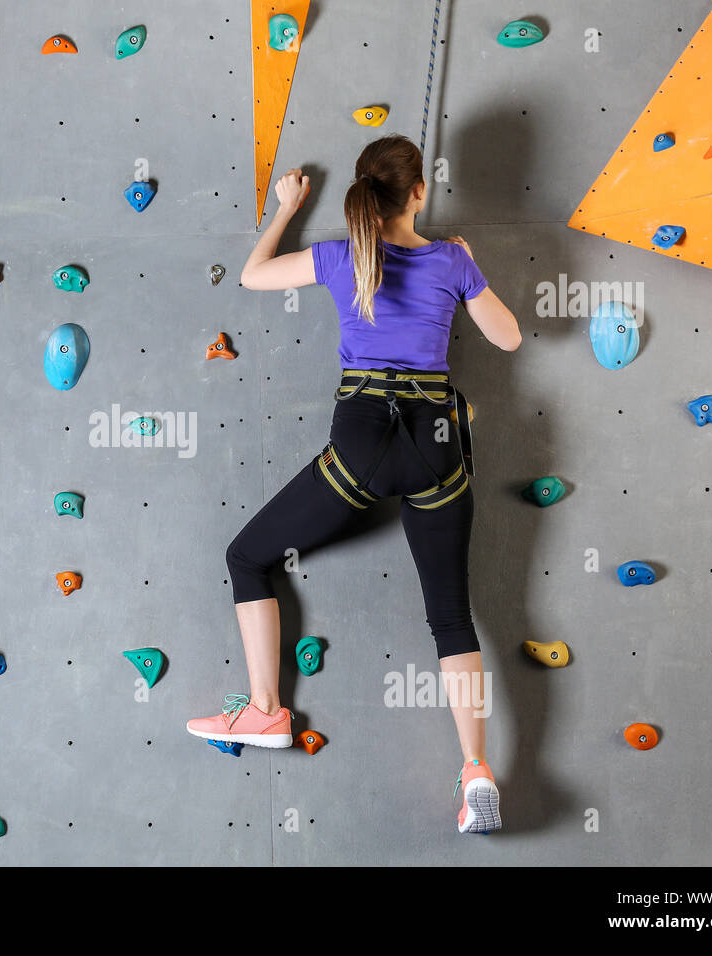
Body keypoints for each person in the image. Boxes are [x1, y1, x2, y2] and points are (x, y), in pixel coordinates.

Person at [185, 135, 521, 833]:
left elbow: (252, 275)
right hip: (437, 449)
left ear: (366, 195)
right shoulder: (451, 260)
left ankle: (266, 709)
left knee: (248, 559)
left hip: (361, 447)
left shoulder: (340, 257)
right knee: (452, 619)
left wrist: (286, 209)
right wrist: (468, 263)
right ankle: (476, 770)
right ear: (419, 193)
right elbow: (510, 339)